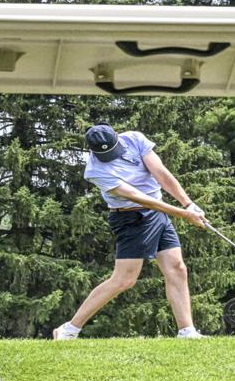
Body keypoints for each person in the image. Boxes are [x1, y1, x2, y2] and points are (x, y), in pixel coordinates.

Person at [52, 125, 209, 340]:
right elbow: (139, 197)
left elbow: (161, 173)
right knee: (124, 280)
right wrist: (184, 214)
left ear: (117, 137)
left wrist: (188, 203)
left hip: (157, 214)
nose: (110, 157)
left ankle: (187, 331)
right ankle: (69, 329)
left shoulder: (135, 139)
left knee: (177, 268)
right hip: (131, 219)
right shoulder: (95, 171)